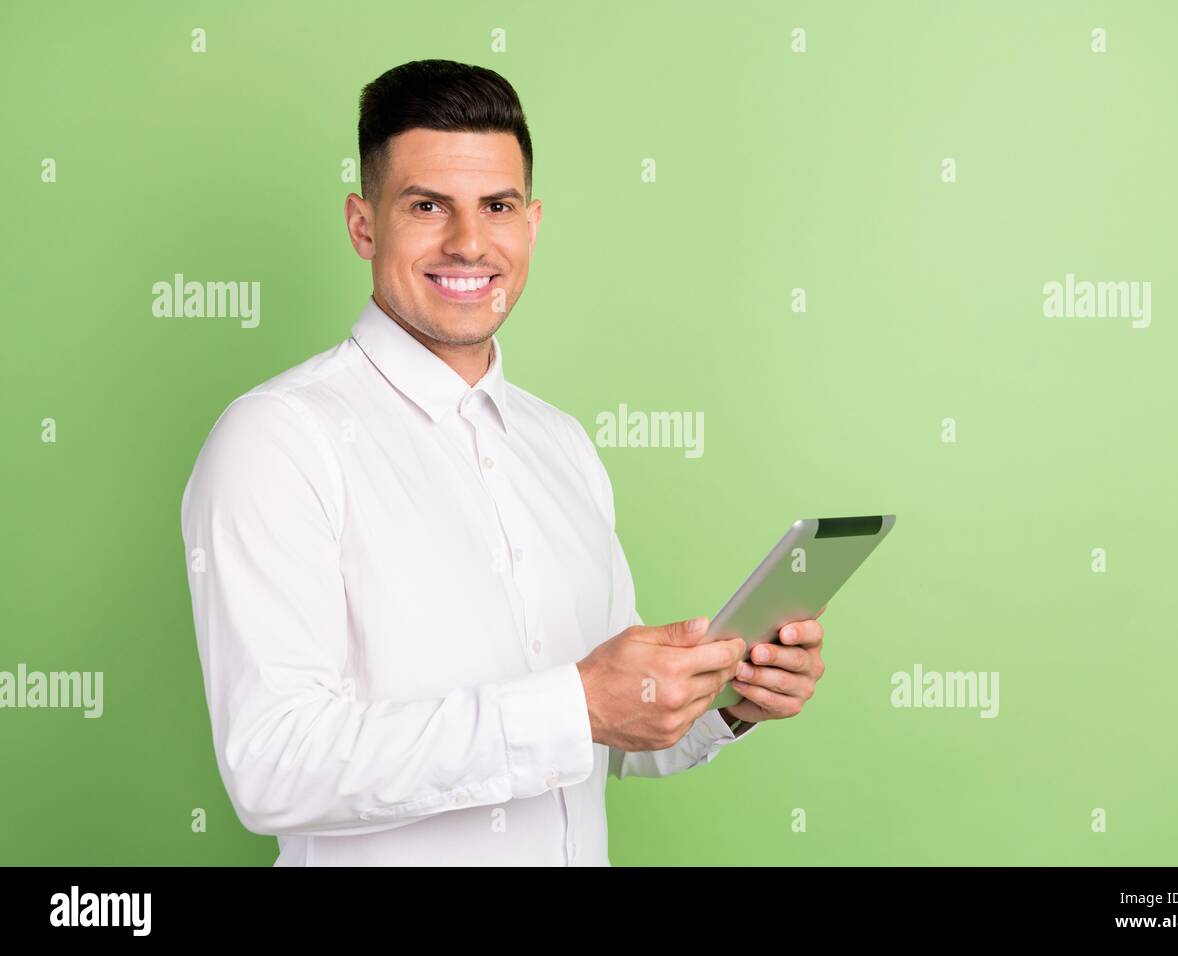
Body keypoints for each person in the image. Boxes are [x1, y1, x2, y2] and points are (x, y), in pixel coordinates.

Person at [180, 59, 827, 866]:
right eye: (426, 206)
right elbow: (273, 767)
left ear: (533, 222)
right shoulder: (278, 438)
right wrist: (577, 706)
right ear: (363, 224)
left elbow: (616, 740)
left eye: (498, 206)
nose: (469, 243)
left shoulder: (562, 445)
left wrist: (729, 700)